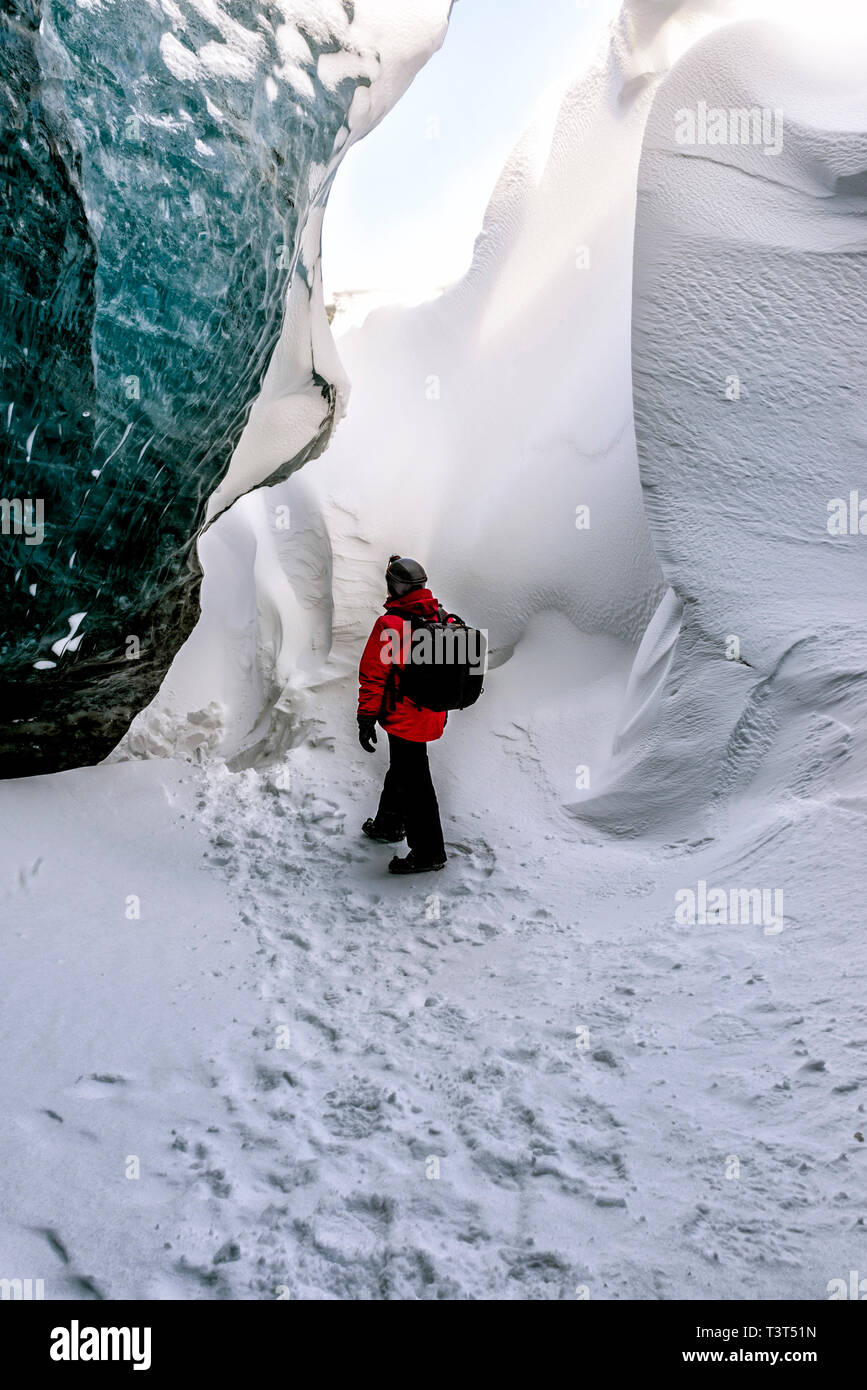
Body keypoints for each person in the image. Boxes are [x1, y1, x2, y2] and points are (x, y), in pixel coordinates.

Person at [357, 555, 448, 874]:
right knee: (404, 768)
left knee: (416, 783)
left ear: (395, 587)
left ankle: (429, 852)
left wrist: (365, 717)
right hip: (434, 712)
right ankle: (388, 825)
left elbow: (373, 675)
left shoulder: (391, 625)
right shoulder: (442, 616)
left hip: (404, 716)